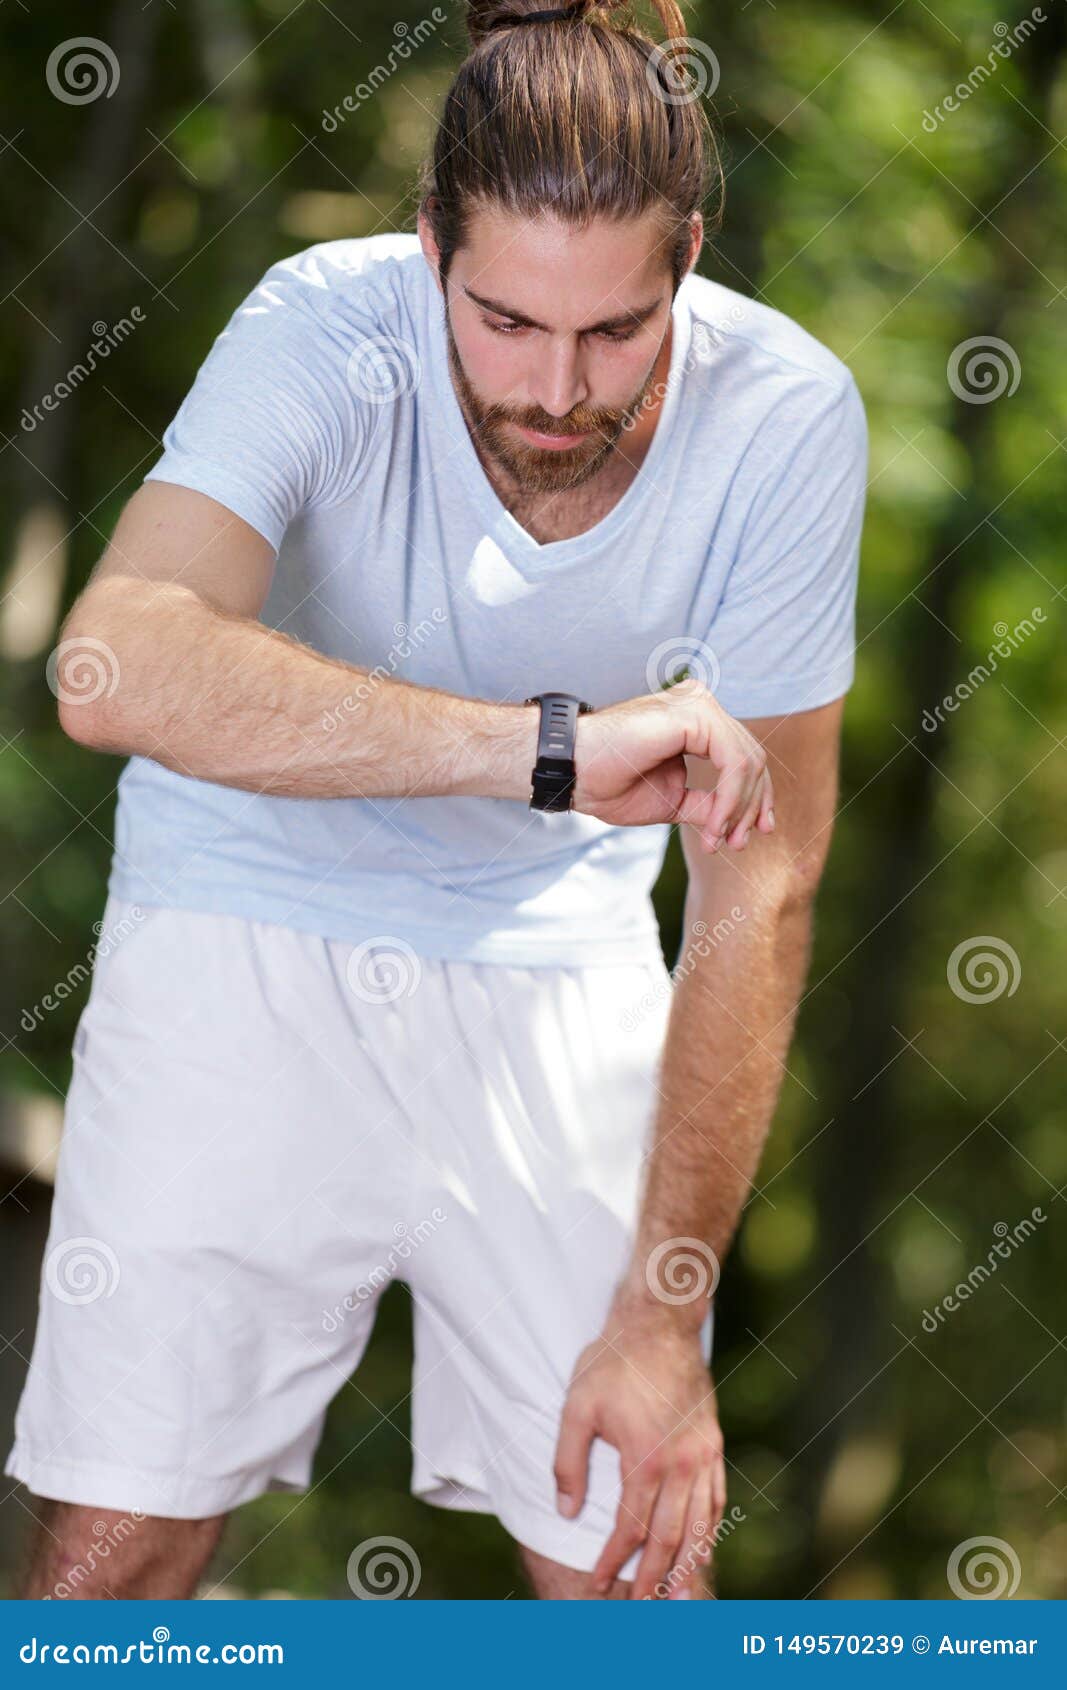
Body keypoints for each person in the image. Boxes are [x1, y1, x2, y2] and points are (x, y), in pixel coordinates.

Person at [8, 0, 866, 1600]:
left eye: (617, 331)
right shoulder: (323, 325)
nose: (556, 389)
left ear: (689, 254)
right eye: (502, 322)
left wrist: (664, 1317)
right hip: (241, 917)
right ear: (427, 246)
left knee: (634, 1553)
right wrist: (550, 747)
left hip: (554, 967)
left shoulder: (789, 414)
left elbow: (765, 883)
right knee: (117, 1553)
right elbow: (109, 669)